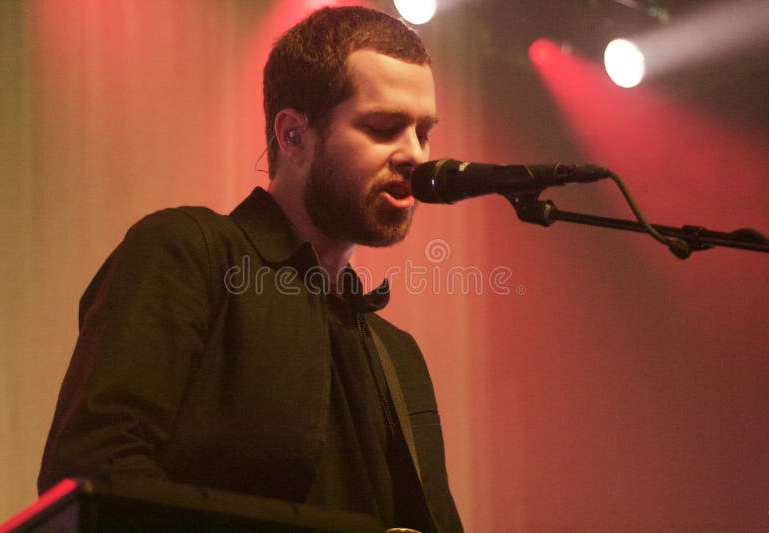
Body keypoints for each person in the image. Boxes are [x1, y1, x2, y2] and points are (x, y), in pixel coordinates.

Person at [38, 6, 462, 532]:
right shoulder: (187, 253)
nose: (416, 155)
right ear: (292, 135)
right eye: (383, 128)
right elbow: (95, 473)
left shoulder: (397, 354)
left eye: (425, 132)